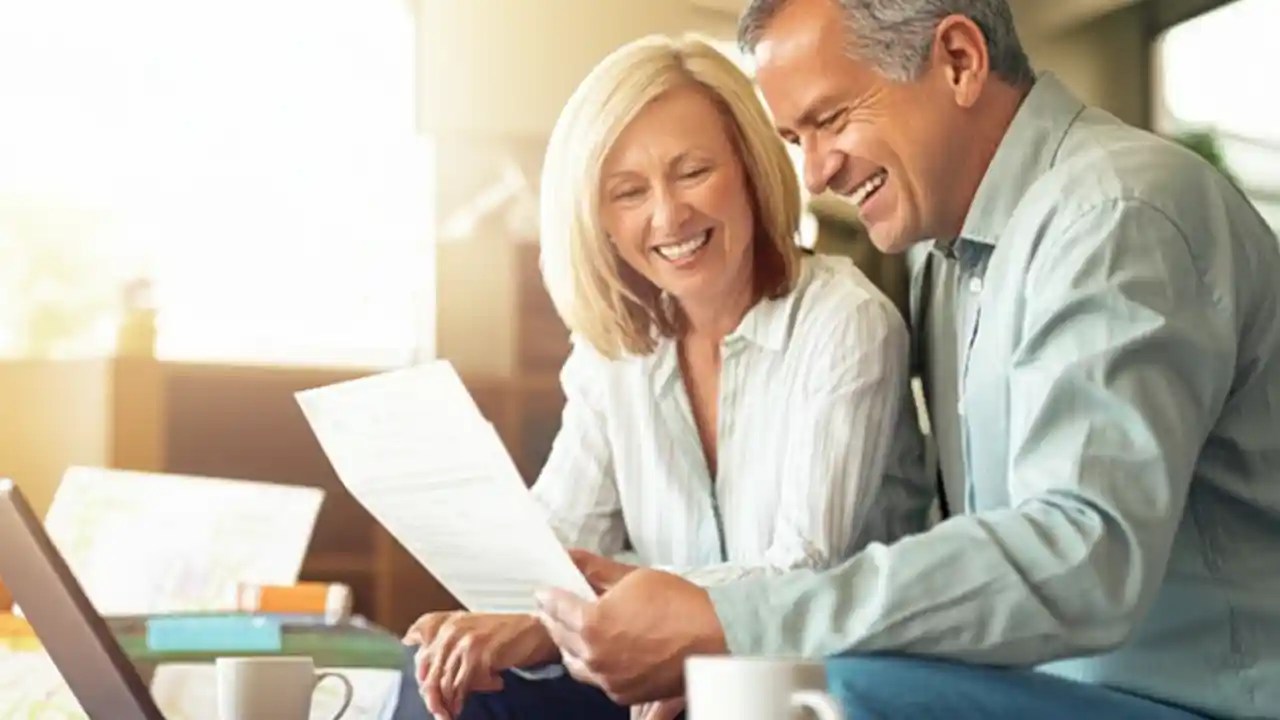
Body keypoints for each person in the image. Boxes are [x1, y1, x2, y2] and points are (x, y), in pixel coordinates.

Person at [533, 1, 1280, 719]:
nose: (816, 175)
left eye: (830, 120)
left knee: (810, 701)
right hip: (1038, 687)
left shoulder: (1115, 214)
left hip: (1192, 701)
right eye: (797, 140)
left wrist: (731, 621)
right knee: (680, 696)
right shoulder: (946, 256)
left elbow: (1084, 555)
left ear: (959, 61)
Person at [401, 34, 932, 720]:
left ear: (749, 167)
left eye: (692, 172)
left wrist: (609, 626)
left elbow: (804, 575)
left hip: (821, 678)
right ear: (601, 221)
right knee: (440, 690)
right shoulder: (614, 348)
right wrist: (510, 621)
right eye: (628, 191)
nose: (668, 215)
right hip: (674, 677)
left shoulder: (846, 322)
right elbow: (556, 543)